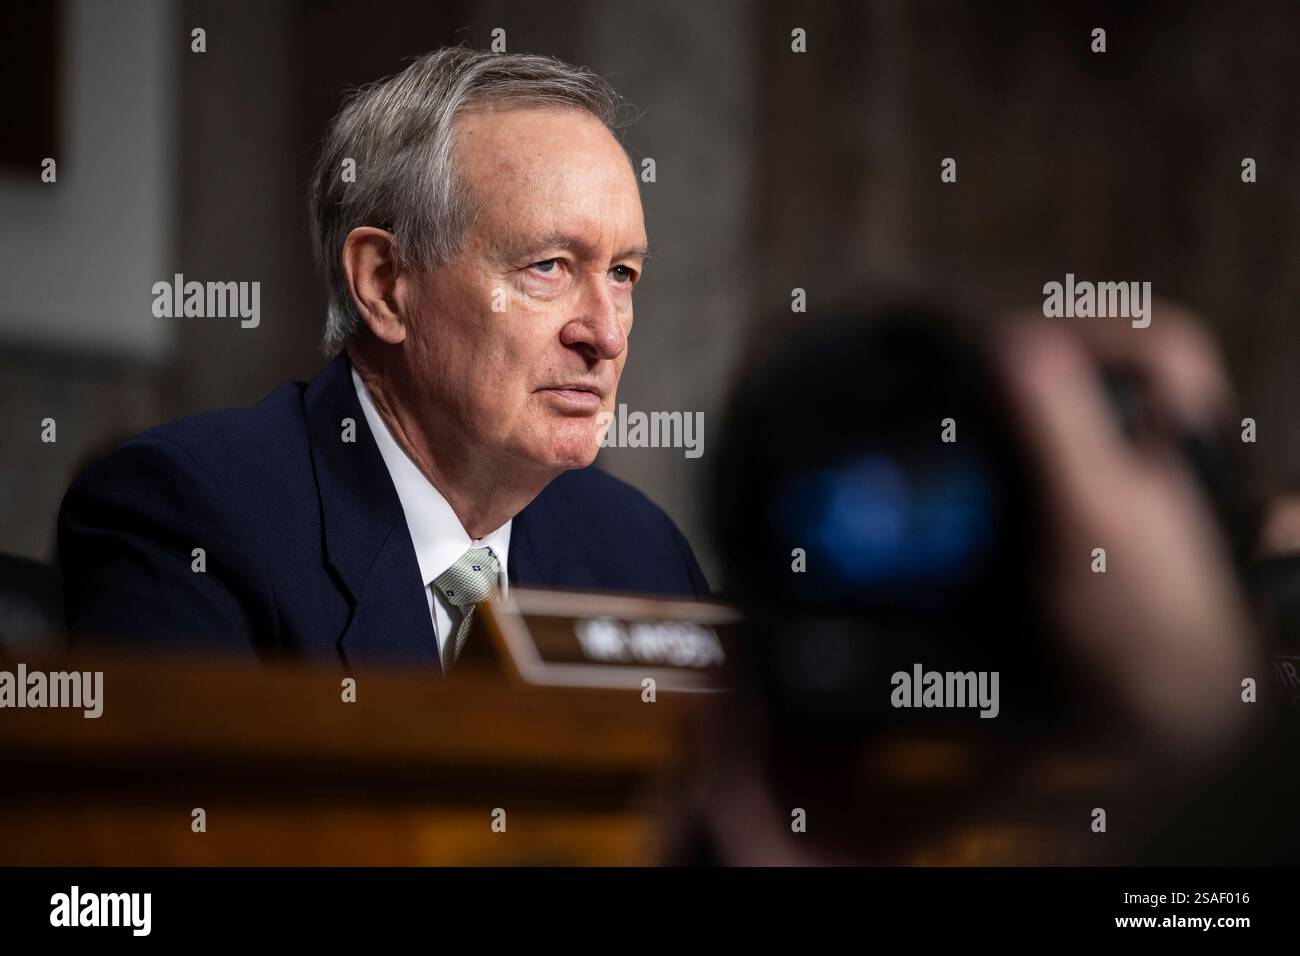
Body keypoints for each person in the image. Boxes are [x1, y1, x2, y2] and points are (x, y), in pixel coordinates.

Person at [58, 48, 709, 670]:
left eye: (622, 274)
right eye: (549, 266)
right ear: (384, 283)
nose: (607, 335)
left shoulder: (642, 556)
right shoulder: (193, 519)